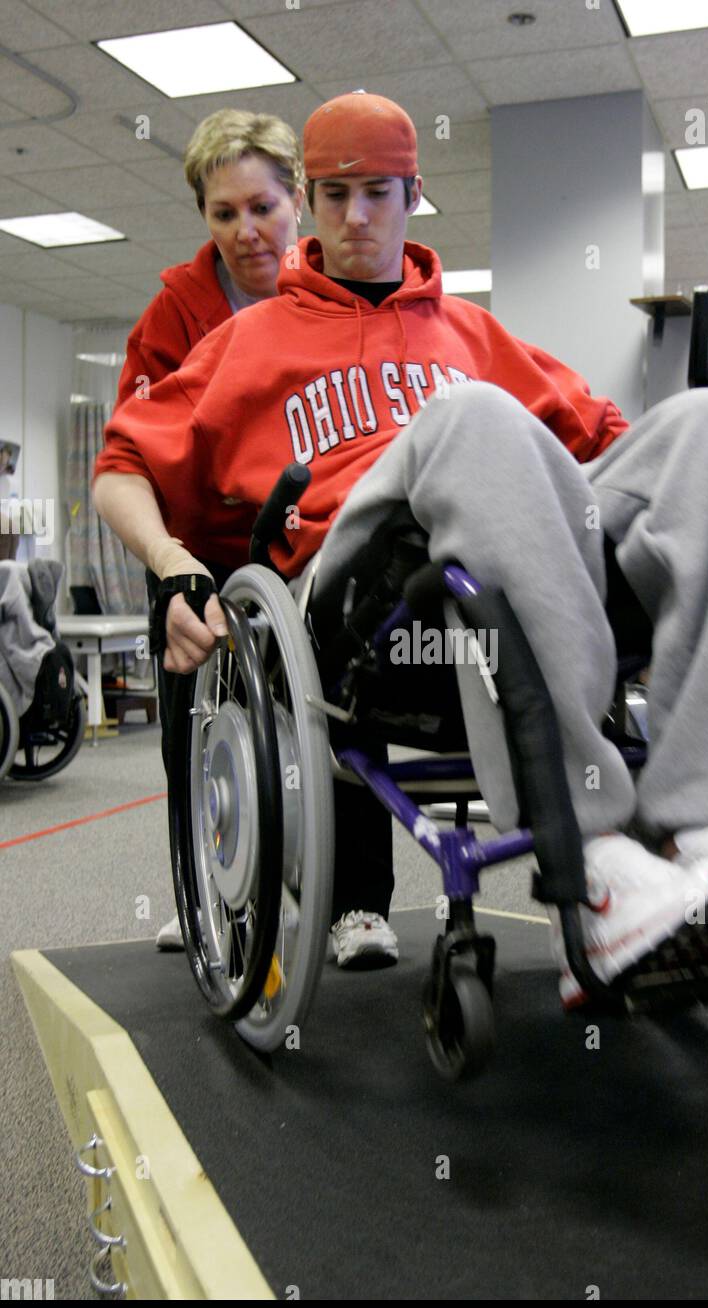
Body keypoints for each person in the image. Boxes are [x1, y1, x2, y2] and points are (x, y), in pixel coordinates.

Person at [94, 91, 708, 1009]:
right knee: (469, 416)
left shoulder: (472, 333)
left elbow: (609, 445)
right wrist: (175, 565)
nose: (353, 217)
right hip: (363, 593)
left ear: (413, 193)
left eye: (376, 192)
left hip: (510, 550)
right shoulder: (246, 340)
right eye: (333, 194)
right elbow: (120, 464)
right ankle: (597, 862)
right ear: (312, 197)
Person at [97, 105, 398, 969]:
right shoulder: (176, 311)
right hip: (203, 543)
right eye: (223, 213)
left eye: (262, 207)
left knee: (345, 698)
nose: (246, 231)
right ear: (203, 218)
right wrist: (170, 568)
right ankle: (206, 890)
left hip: (310, 536)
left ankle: (355, 907)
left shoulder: (335, 293)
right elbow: (133, 452)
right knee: (193, 709)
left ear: (297, 202)